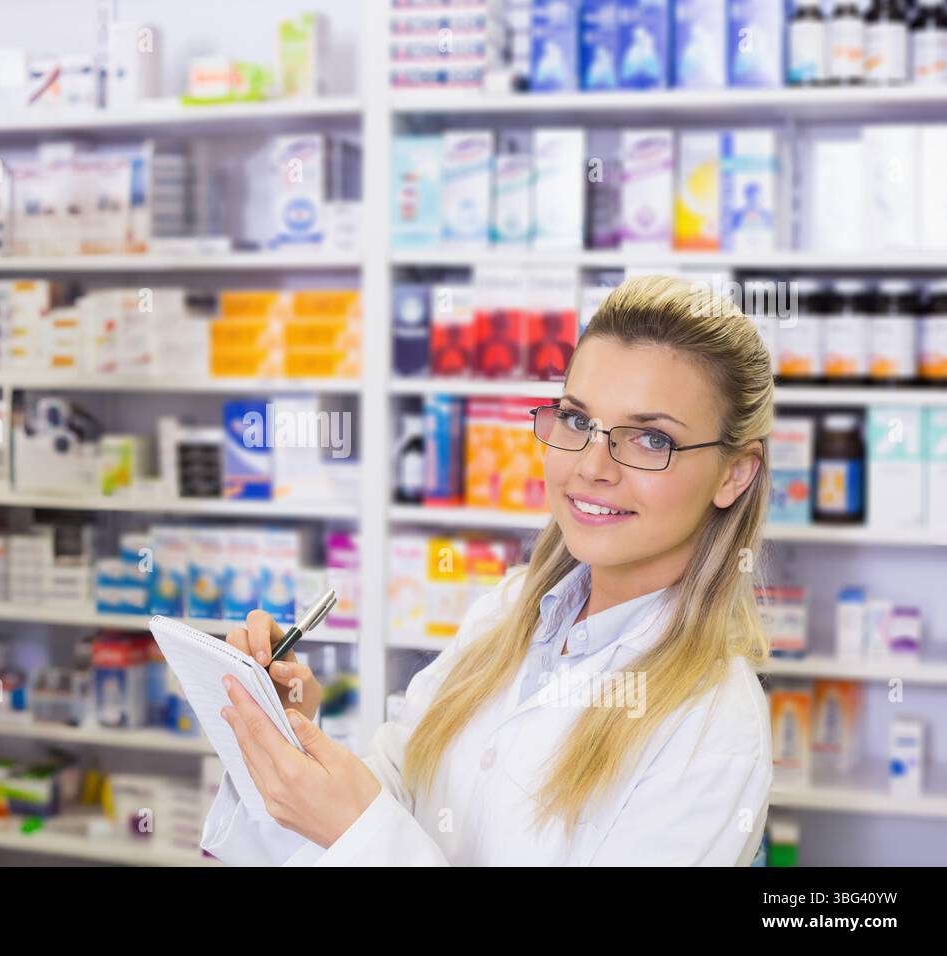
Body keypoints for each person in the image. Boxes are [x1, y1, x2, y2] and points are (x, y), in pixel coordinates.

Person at [204, 275, 774, 865]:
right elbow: (397, 794)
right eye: (578, 421)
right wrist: (290, 740)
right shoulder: (504, 612)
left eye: (652, 439)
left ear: (735, 474)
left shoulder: (716, 729)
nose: (592, 468)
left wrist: (361, 833)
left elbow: (371, 835)